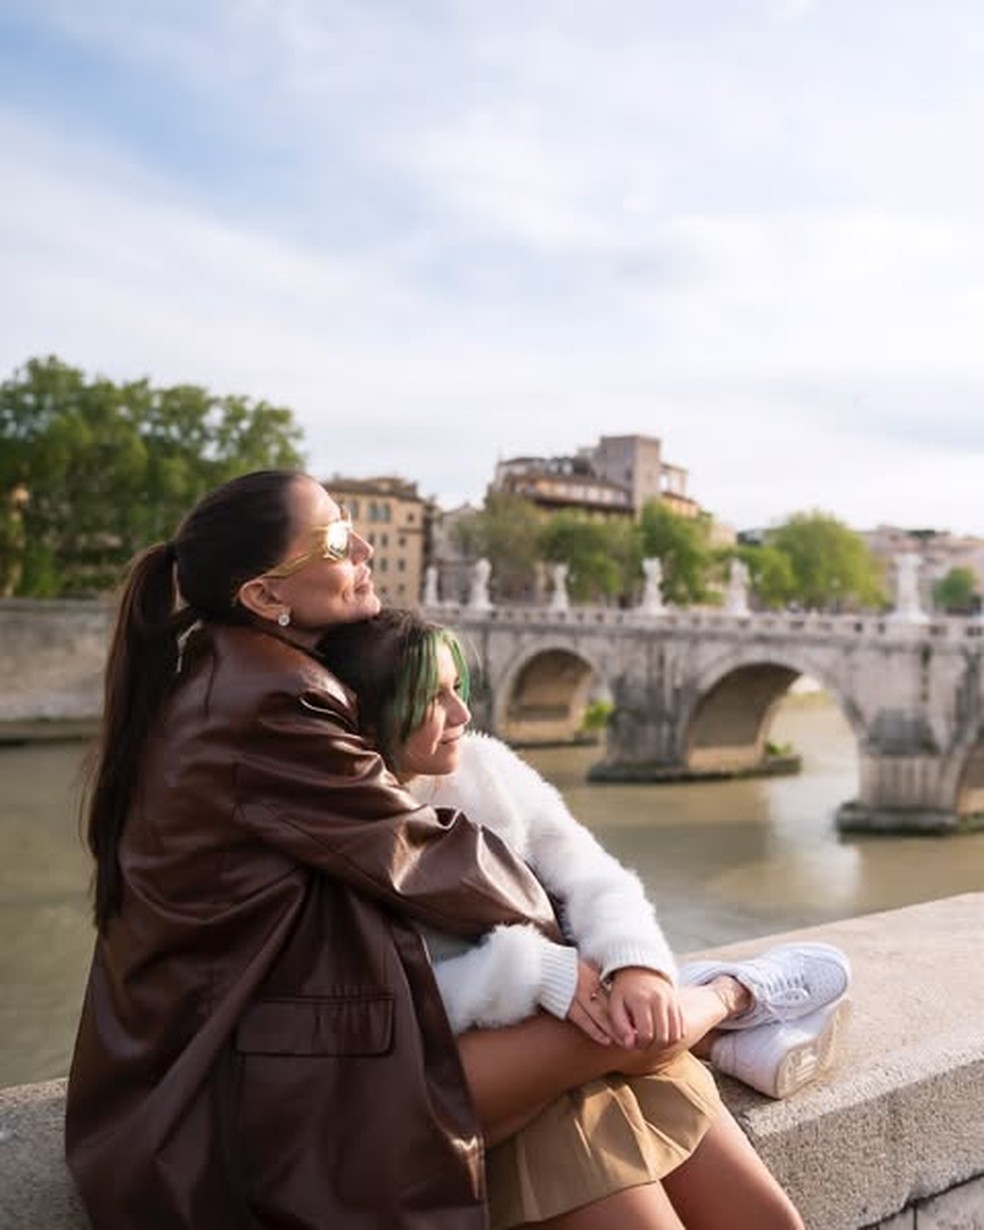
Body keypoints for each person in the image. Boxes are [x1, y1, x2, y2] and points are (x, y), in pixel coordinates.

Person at [318, 607, 852, 1230]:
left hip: (567, 1022)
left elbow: (591, 873)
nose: (462, 712)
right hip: (482, 1072)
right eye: (433, 698)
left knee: (772, 1221)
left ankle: (707, 1002)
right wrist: (532, 974)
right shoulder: (329, 830)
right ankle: (729, 997)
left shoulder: (486, 770)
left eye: (457, 687)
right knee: (627, 1034)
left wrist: (636, 962)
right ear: (371, 716)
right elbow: (374, 993)